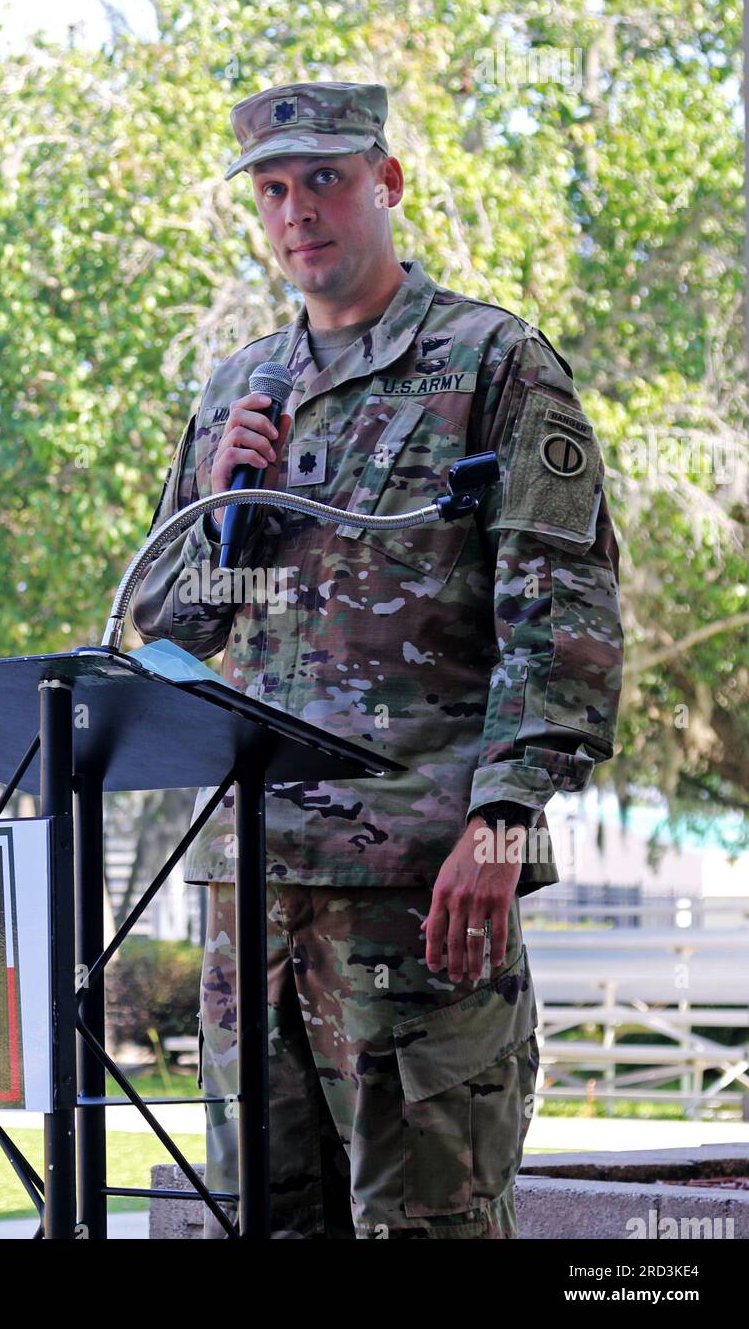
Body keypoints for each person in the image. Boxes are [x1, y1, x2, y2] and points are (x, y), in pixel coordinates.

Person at [129, 81, 624, 1239]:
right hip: (249, 894)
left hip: (420, 888)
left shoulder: (491, 364)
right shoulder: (239, 390)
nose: (299, 209)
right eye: (274, 189)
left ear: (386, 183)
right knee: (268, 1221)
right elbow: (163, 627)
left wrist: (502, 826)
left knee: (429, 1226)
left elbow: (561, 615)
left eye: (326, 180)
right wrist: (219, 514)